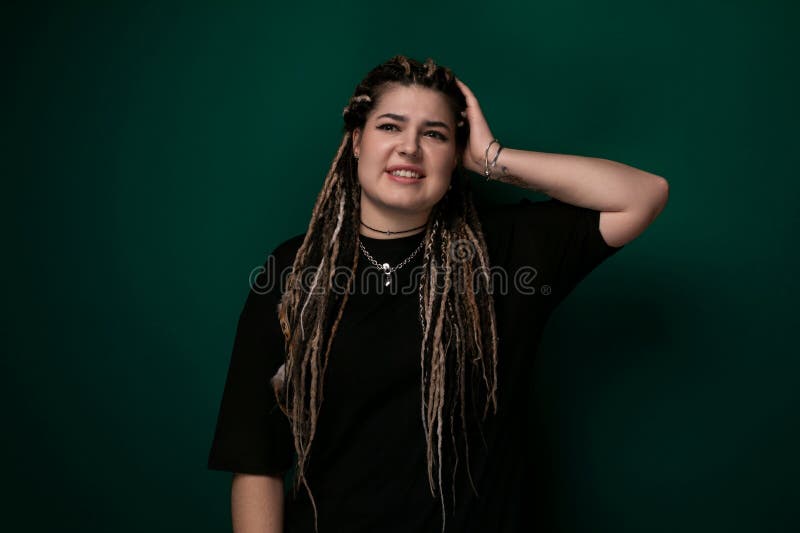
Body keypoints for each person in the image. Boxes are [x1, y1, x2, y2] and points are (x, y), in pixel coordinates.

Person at [207, 55, 669, 533]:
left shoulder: (504, 253)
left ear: (455, 156)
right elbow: (256, 457)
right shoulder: (296, 270)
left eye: (435, 134)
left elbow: (643, 194)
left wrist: (493, 157)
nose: (409, 148)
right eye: (390, 126)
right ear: (357, 143)